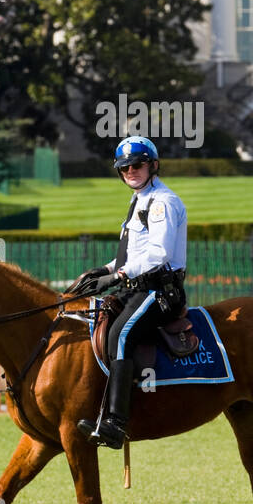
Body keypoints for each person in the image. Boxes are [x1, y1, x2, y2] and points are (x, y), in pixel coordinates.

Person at [72, 135, 187, 450]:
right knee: (94, 320)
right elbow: (135, 251)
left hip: (161, 291)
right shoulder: (140, 199)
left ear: (153, 165)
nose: (131, 171)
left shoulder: (162, 202)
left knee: (121, 335)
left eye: (137, 165)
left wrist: (119, 274)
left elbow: (159, 253)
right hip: (137, 287)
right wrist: (107, 269)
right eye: (124, 168)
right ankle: (101, 407)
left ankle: (116, 423)